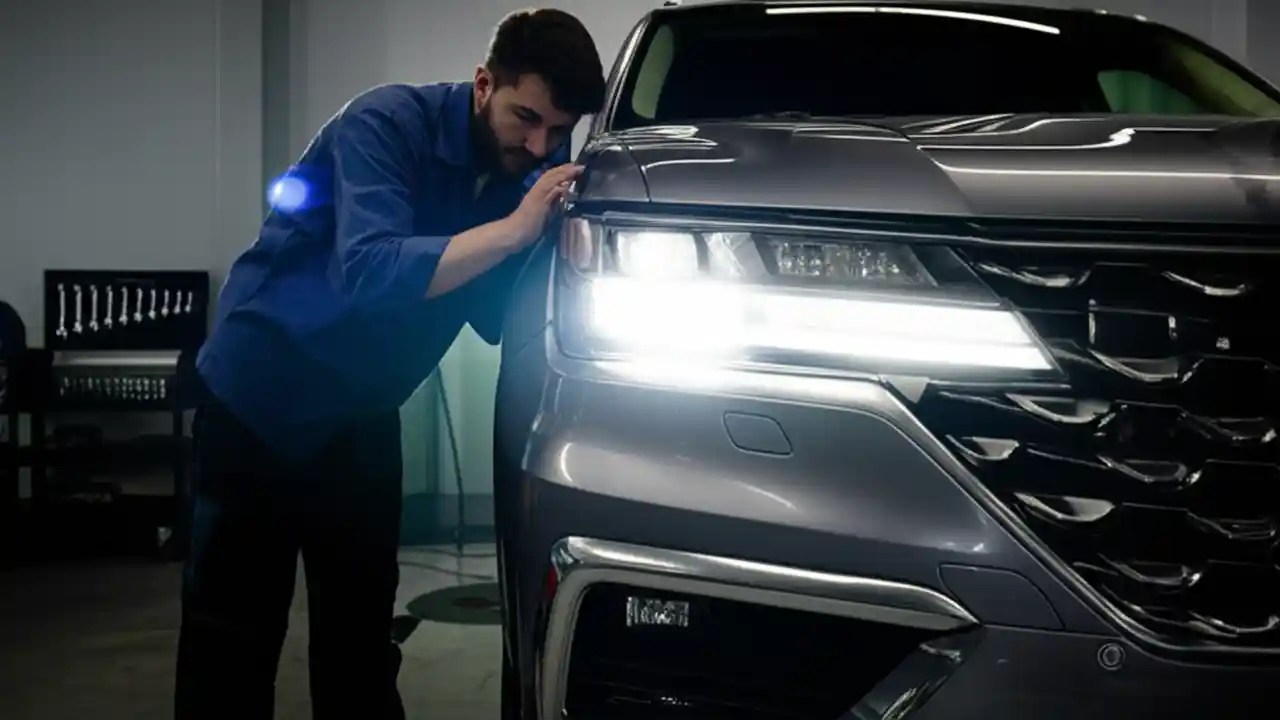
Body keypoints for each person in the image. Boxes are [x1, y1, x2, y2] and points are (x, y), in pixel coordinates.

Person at [174, 8, 605, 719]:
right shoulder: (382, 125)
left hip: (362, 414)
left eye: (557, 131)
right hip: (258, 404)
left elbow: (494, 319)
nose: (538, 145)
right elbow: (372, 273)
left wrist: (557, 252)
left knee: (361, 643)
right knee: (232, 640)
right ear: (481, 84)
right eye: (525, 117)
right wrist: (517, 228)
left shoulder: (512, 180)